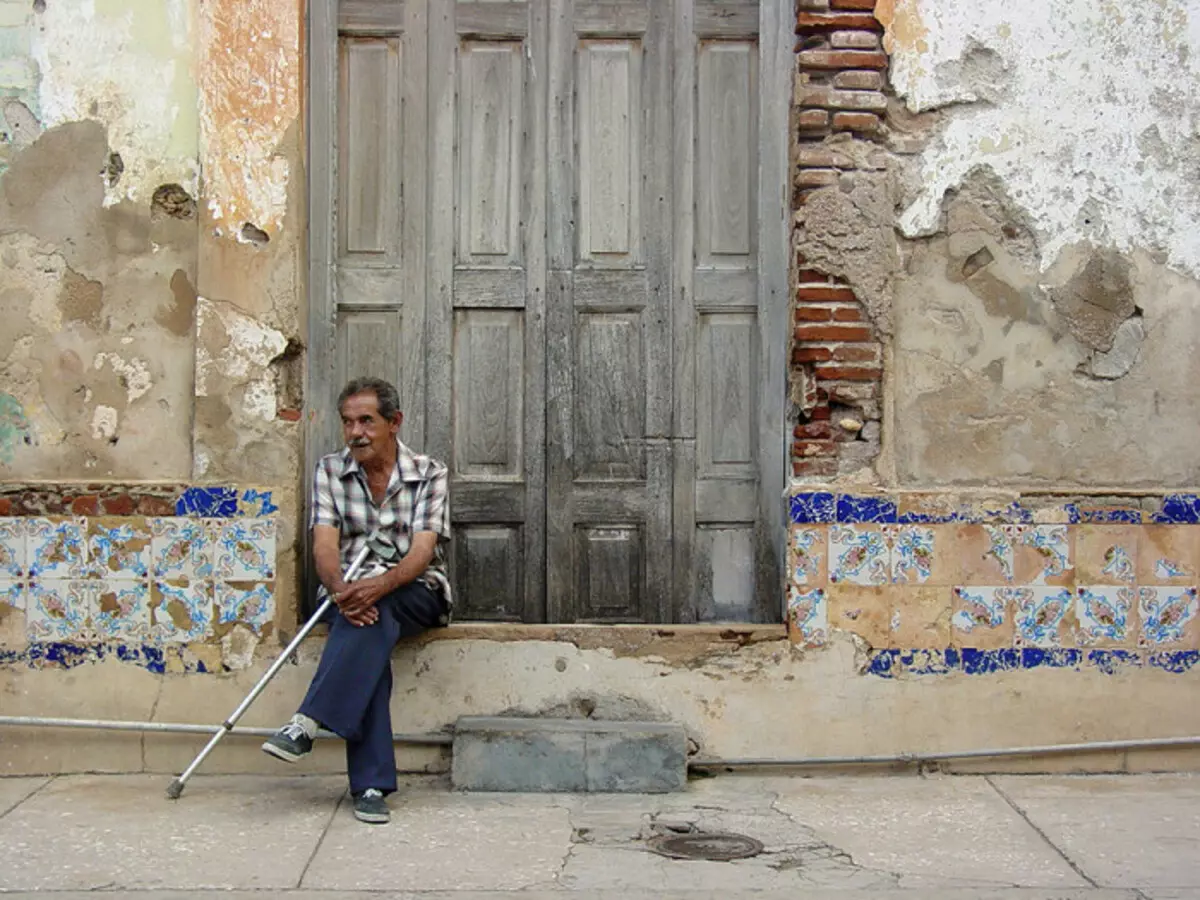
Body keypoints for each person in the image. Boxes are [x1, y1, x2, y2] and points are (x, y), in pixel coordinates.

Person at [261, 376, 451, 824]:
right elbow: (324, 547)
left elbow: (422, 554)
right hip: (349, 593)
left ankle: (308, 721)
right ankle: (370, 787)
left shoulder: (429, 473)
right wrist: (342, 590)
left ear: (394, 423)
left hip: (415, 591)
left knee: (378, 609)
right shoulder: (330, 470)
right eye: (347, 423)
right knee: (369, 632)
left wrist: (376, 587)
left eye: (366, 421)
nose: (355, 433)